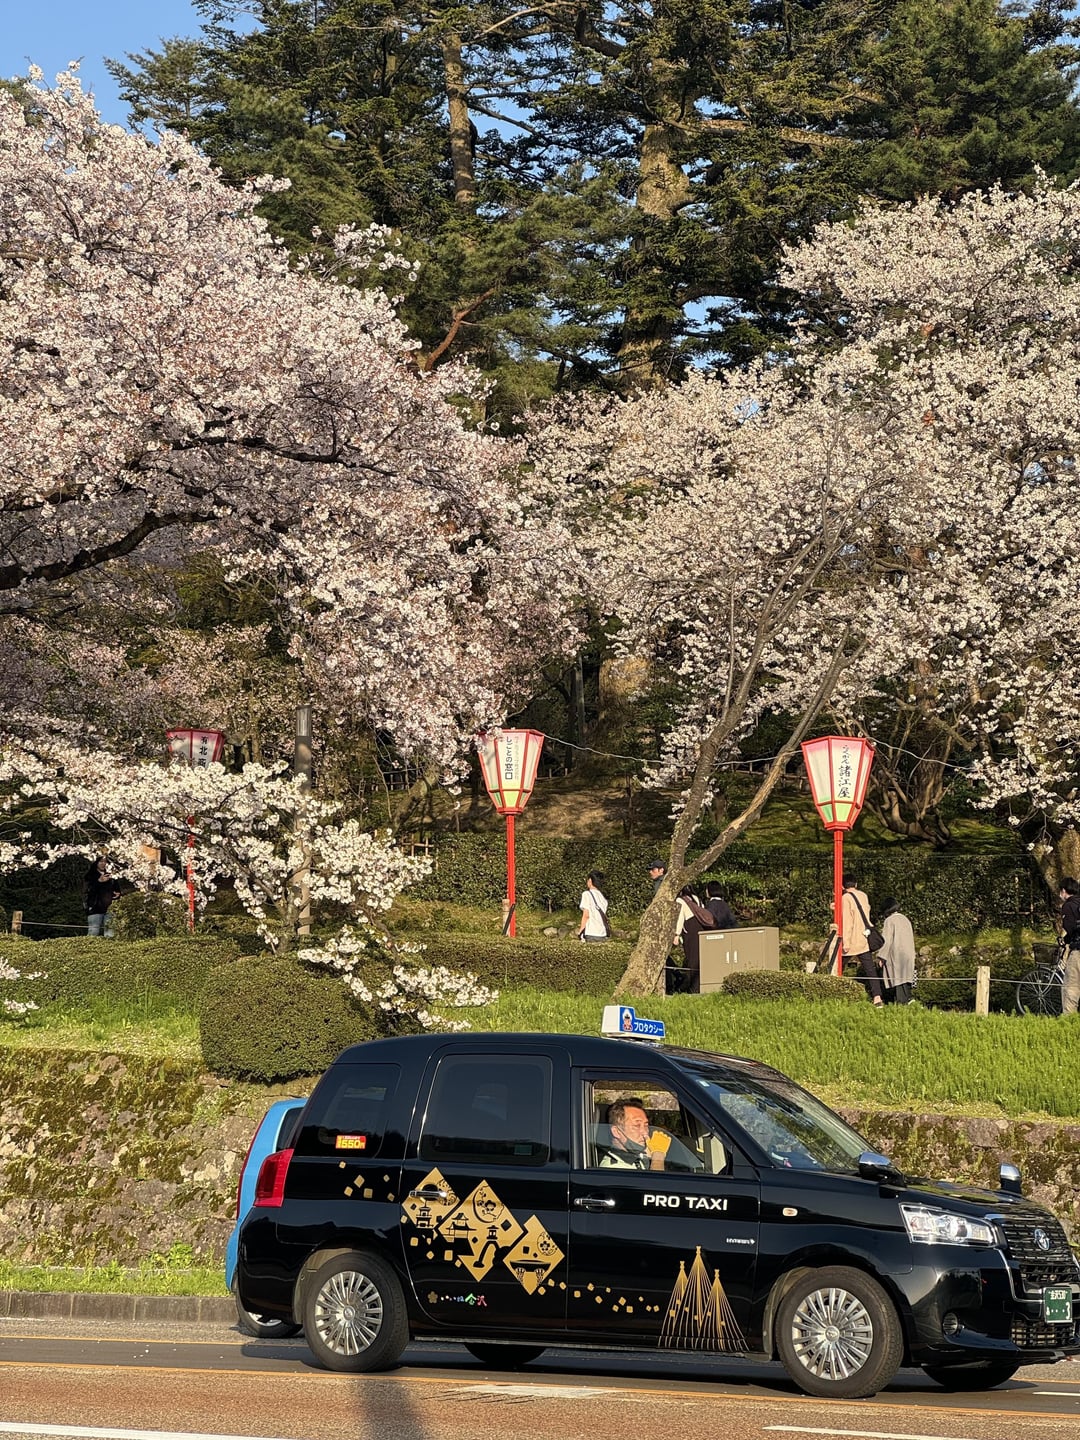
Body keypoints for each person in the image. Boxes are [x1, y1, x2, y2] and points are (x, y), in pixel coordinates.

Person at [841, 872, 883, 1006]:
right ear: (856, 884)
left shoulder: (845, 898)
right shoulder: (863, 895)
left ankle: (834, 993)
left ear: (842, 886)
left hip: (852, 939)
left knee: (838, 967)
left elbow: (847, 921)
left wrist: (846, 942)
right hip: (864, 938)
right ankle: (877, 998)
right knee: (870, 970)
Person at [599, 1098, 672, 1171]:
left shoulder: (634, 1156)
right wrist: (658, 1157)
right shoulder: (614, 1168)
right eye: (636, 1126)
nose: (645, 1133)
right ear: (616, 1132)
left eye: (646, 1125)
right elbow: (656, 1179)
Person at [877, 897, 916, 1005]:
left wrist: (881, 957)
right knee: (906, 980)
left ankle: (901, 1004)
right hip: (908, 954)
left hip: (896, 955)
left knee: (898, 980)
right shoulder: (905, 919)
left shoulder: (889, 921)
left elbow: (886, 941)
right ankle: (909, 1001)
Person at [1059, 877, 1080, 1016]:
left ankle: (1069, 1020)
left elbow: (1070, 928)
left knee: (1071, 987)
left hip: (1078, 950)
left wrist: (1066, 939)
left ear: (1063, 891)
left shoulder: (1068, 906)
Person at [84, 857, 119, 938]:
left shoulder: (112, 875)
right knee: (93, 932)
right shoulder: (90, 875)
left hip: (110, 907)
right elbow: (87, 890)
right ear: (96, 862)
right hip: (95, 908)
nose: (103, 864)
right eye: (101, 861)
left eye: (105, 862)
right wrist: (99, 881)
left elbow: (117, 889)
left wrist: (118, 894)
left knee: (110, 934)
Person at [578, 871, 610, 942]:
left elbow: (586, 915)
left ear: (590, 881)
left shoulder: (586, 894)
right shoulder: (603, 898)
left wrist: (581, 931)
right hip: (602, 933)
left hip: (591, 932)